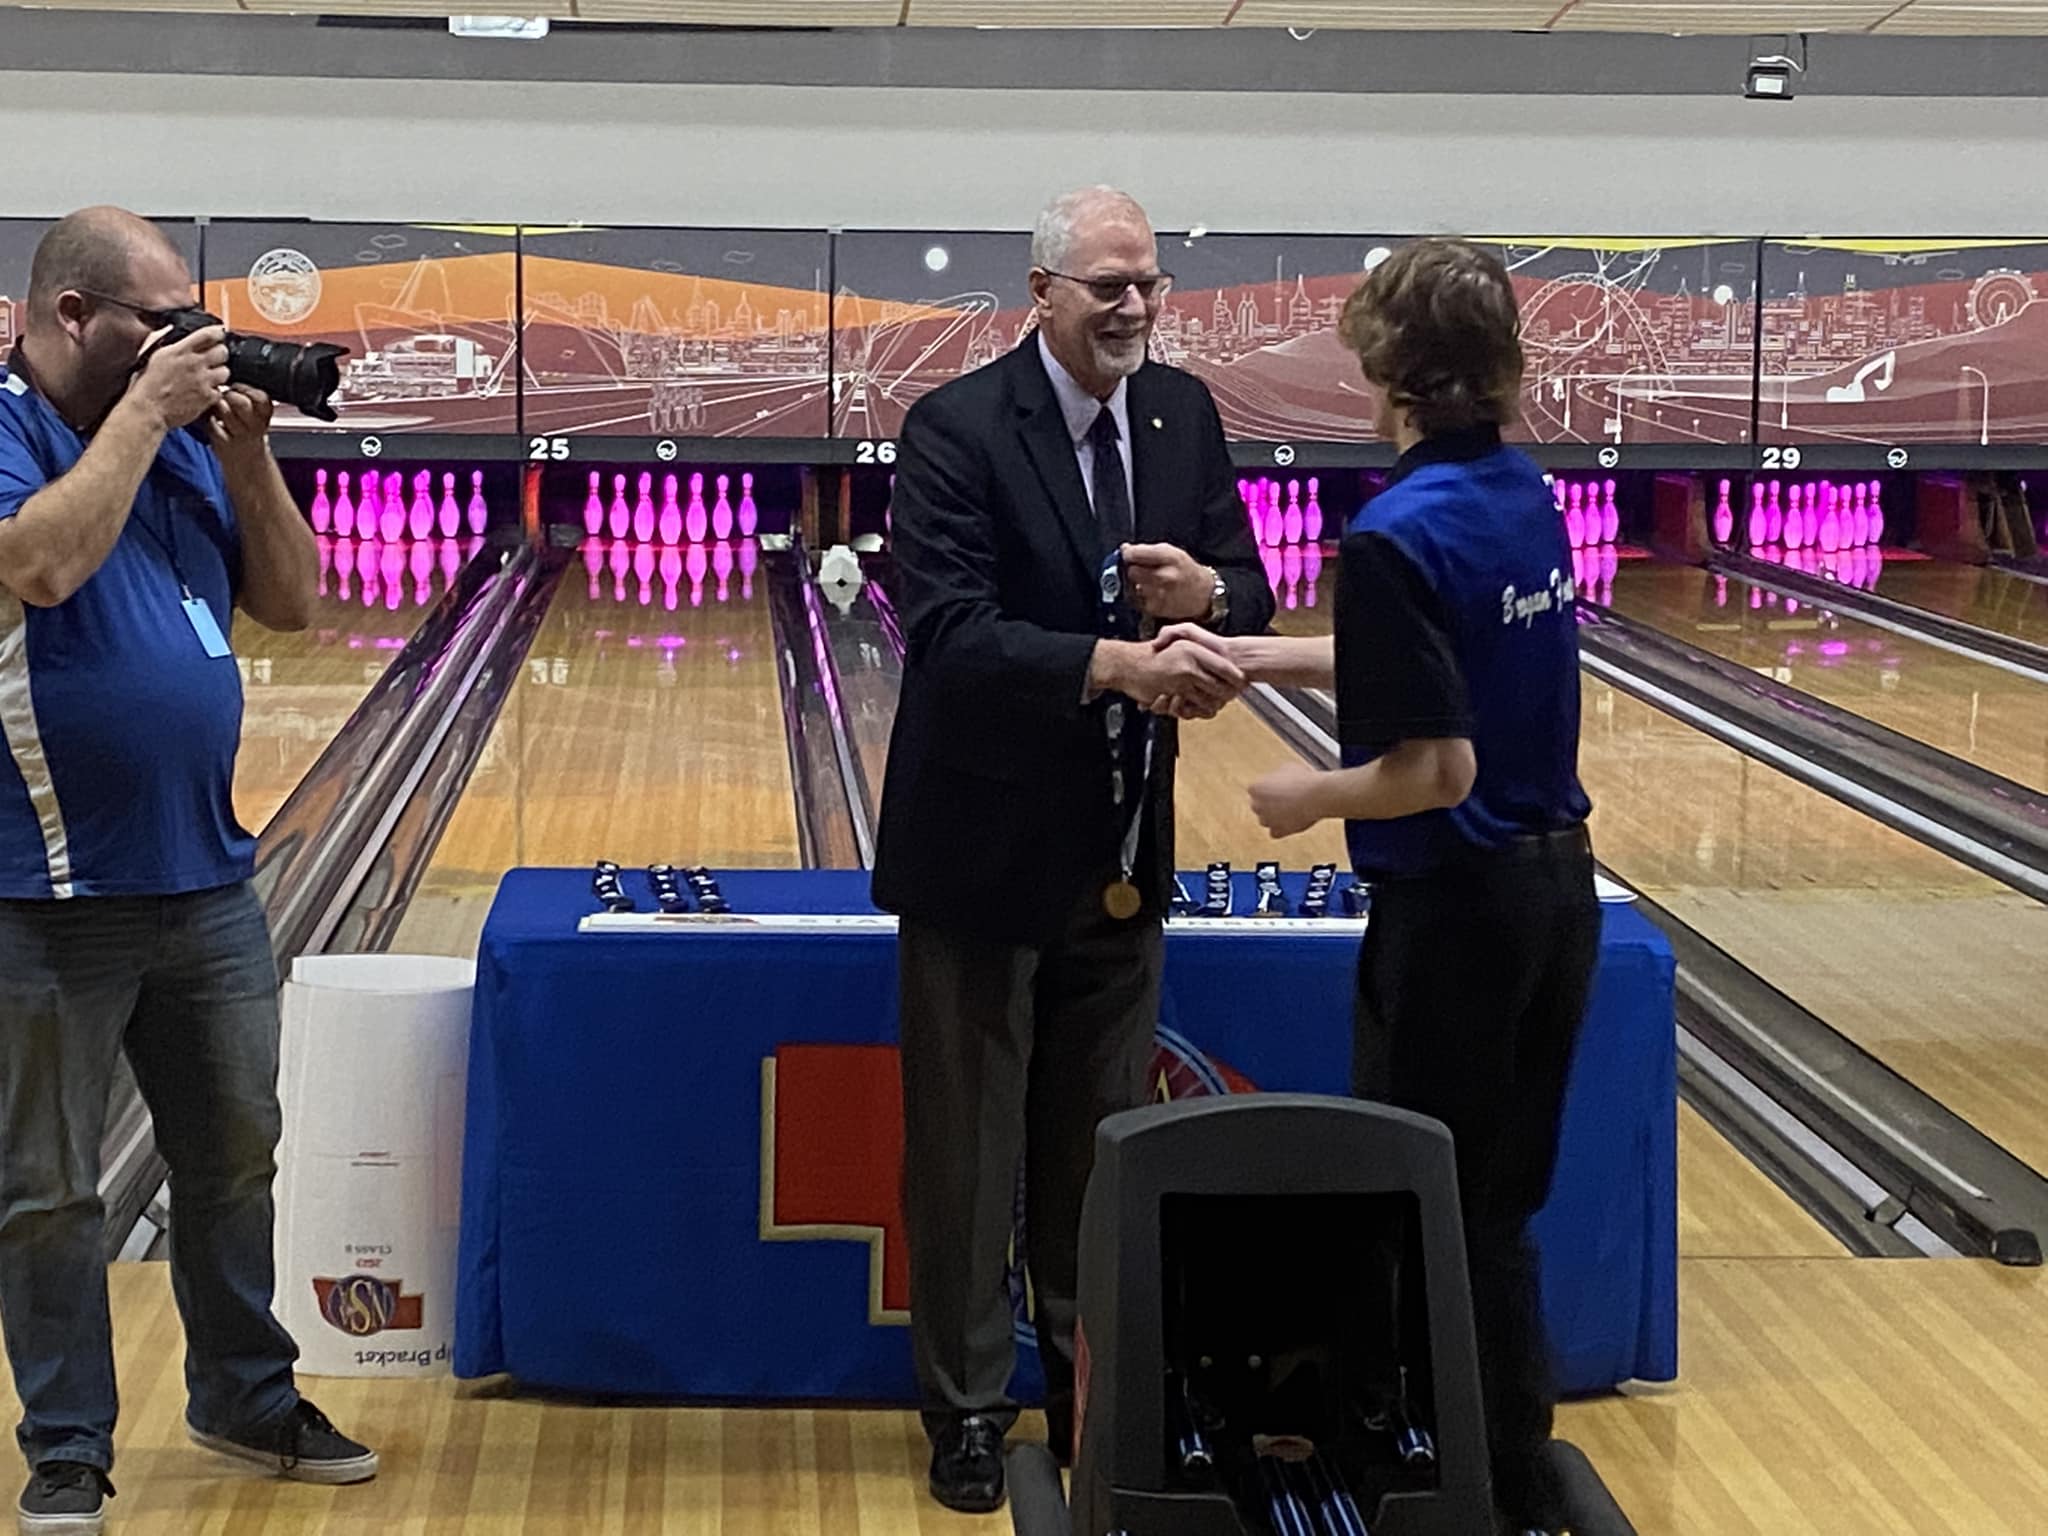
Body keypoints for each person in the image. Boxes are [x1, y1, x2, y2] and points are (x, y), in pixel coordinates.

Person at [1162, 238, 1598, 1536]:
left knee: (1422, 1200)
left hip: (1455, 916)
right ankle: (1507, 1472)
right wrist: (1253, 653)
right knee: (1496, 1211)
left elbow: (1428, 760)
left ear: (1382, 374)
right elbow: (1429, 663)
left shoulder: (1394, 530)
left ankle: (1419, 1464)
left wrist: (1311, 799)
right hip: (1557, 899)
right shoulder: (1525, 495)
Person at [872, 186, 1273, 1514]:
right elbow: (951, 633)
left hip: (1123, 843)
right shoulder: (956, 428)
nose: (1135, 307)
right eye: (1108, 284)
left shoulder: (1183, 417)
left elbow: (1249, 584)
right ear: (1041, 291)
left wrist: (1210, 603)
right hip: (980, 856)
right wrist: (1116, 663)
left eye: (1148, 283)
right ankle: (970, 1414)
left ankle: (1081, 1390)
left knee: (1095, 1151)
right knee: (970, 1155)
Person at [0, 208, 373, 1536]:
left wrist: (252, 460)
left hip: (206, 880)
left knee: (234, 1157)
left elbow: (293, 602)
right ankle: (68, 1446)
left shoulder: (179, 446)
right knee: (48, 1189)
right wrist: (145, 420)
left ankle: (246, 1396)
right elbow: (38, 564)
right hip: (42, 897)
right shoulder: (17, 433)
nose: (191, 342)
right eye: (160, 321)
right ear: (72, 318)